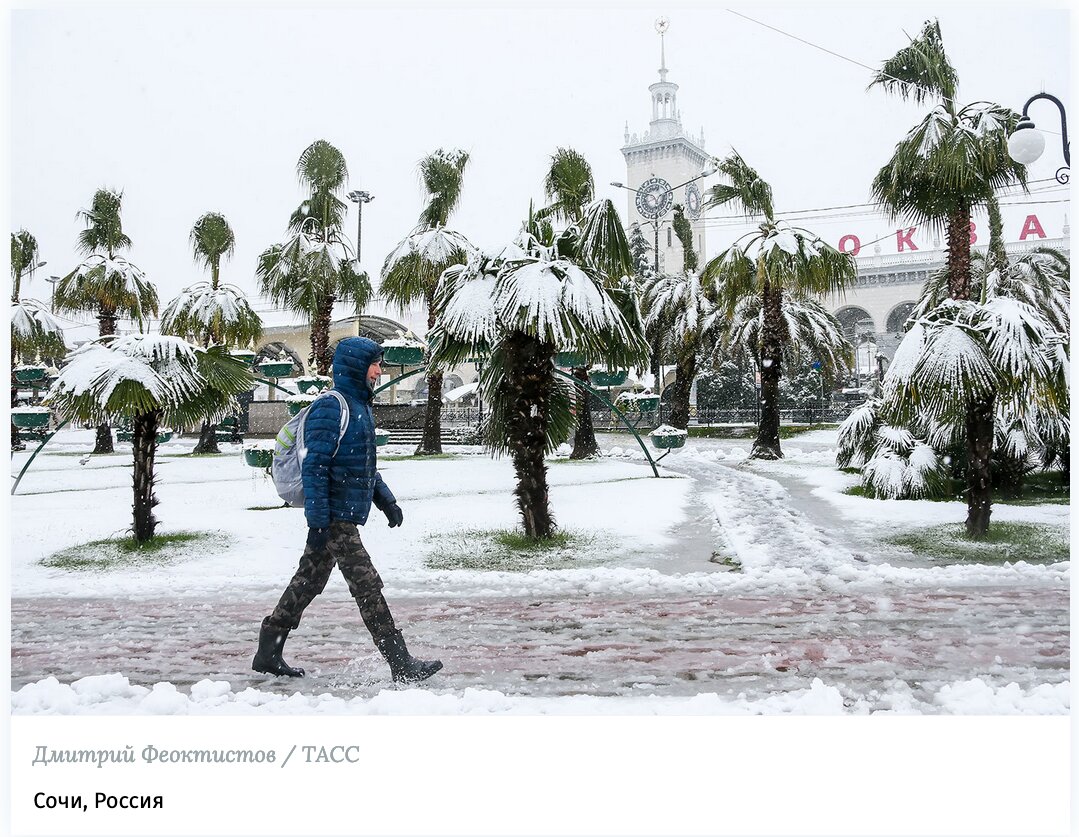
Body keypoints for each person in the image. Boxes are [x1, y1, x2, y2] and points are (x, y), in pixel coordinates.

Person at [252, 336, 443, 684]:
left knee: (308, 580)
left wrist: (386, 500)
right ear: (357, 366)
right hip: (334, 517)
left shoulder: (359, 406)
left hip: (338, 514)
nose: (379, 371)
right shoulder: (332, 407)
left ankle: (269, 649)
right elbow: (315, 466)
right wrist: (320, 521)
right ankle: (400, 662)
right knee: (367, 585)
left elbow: (362, 466)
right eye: (375, 364)